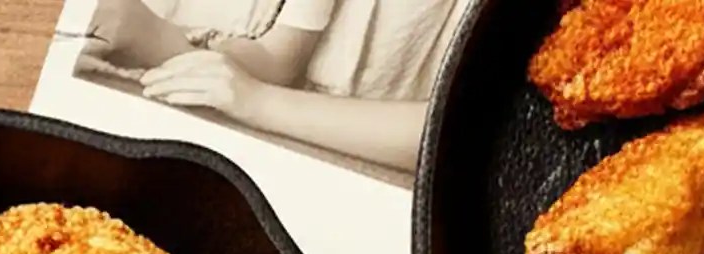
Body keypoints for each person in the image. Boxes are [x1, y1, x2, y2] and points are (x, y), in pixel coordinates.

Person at [76, 0, 467, 173]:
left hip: (371, 167)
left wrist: (258, 102)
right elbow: (277, 58)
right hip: (266, 136)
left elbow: (451, 133)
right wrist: (144, 34)